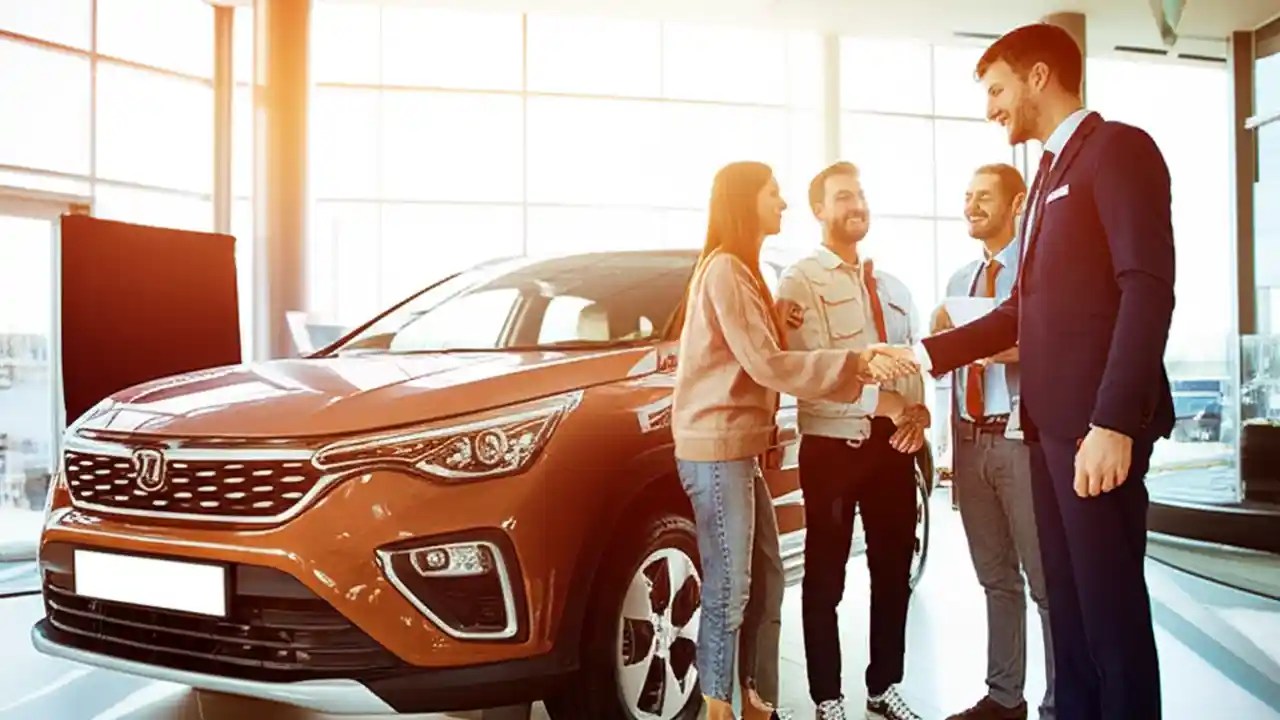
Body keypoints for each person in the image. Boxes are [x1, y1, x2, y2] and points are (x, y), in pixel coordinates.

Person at [911, 23, 1175, 720]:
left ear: (1037, 77)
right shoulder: (1047, 177)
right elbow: (1018, 314)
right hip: (1048, 433)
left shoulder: (1117, 150)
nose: (991, 107)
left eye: (997, 89)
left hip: (1095, 434)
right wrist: (920, 355)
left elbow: (1146, 286)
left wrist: (1114, 421)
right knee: (1072, 624)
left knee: (1110, 624)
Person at [671, 160, 919, 720]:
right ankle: (719, 708)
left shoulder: (745, 272)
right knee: (730, 587)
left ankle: (753, 699)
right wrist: (855, 363)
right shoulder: (728, 271)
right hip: (718, 450)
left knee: (767, 578)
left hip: (741, 448)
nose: (780, 203)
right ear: (745, 201)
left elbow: (754, 349)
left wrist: (777, 320)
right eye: (773, 193)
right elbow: (766, 364)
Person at [775, 161, 929, 720]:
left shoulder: (892, 287)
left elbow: (913, 360)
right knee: (825, 579)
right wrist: (888, 404)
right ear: (819, 209)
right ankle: (827, 698)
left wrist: (916, 413)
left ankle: (884, 685)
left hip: (893, 450)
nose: (855, 204)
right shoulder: (800, 282)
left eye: (860, 194)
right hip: (833, 452)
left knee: (894, 573)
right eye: (842, 196)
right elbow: (815, 375)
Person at [934, 164, 1055, 720]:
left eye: (984, 196)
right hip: (968, 440)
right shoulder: (960, 281)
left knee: (1045, 583)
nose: (971, 205)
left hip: (1017, 441)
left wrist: (1011, 347)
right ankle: (1005, 698)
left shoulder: (1037, 273)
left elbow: (1054, 346)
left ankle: (1063, 700)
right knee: (994, 578)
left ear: (1016, 204)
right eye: (967, 195)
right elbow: (946, 365)